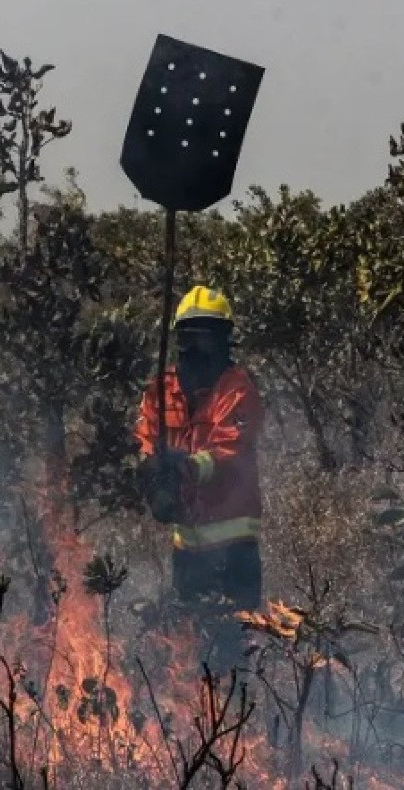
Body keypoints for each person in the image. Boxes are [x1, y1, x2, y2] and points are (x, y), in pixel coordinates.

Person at [135, 285, 265, 673]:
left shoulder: (238, 389)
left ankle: (239, 725)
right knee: (191, 649)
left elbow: (231, 449)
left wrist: (186, 469)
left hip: (235, 546)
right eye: (190, 337)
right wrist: (152, 477)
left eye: (207, 336)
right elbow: (146, 438)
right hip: (187, 547)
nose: (198, 347)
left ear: (225, 340)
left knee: (235, 649)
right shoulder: (162, 389)